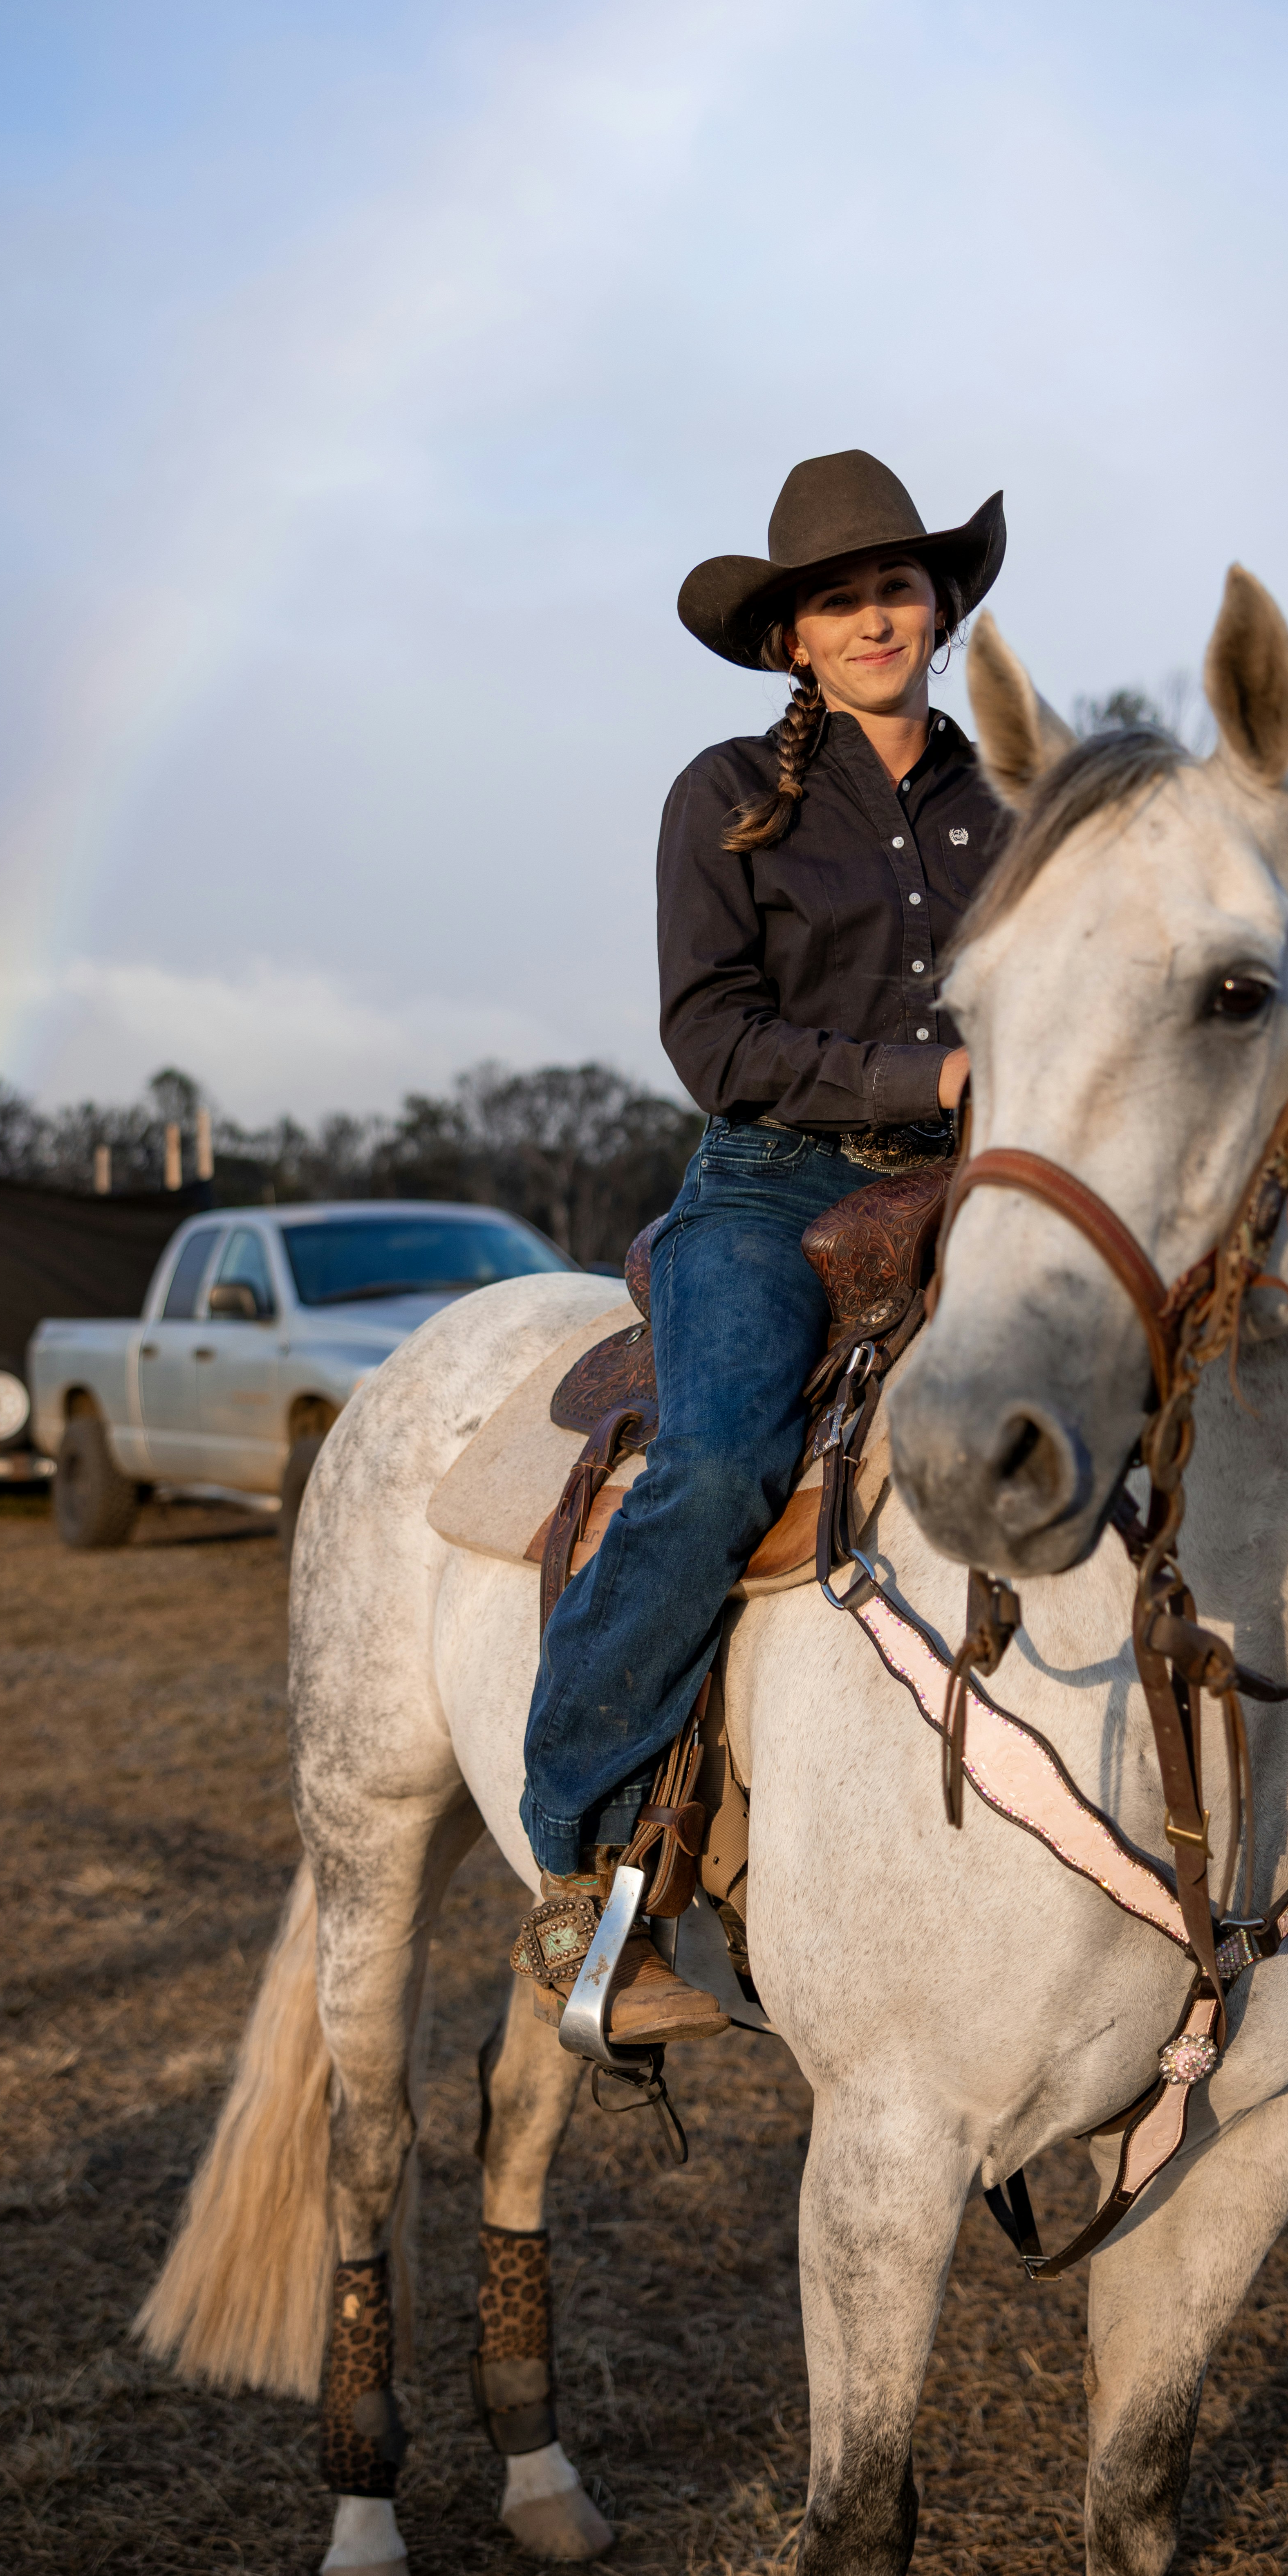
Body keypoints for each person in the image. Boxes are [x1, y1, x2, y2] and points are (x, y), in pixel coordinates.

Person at [513, 450, 1010, 2040]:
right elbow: (713, 1037)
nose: (875, 616)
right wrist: (916, 1075)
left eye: (896, 585)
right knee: (724, 1459)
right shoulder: (727, 794)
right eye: (838, 598)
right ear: (789, 636)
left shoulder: (1010, 799)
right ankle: (581, 1857)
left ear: (939, 604)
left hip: (979, 1175)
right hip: (772, 1180)